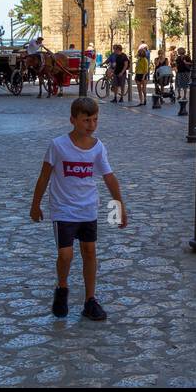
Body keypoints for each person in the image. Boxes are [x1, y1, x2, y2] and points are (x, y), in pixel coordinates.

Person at [29, 97, 126, 322]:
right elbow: (44, 176)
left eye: (94, 120)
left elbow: (109, 178)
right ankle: (62, 289)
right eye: (86, 120)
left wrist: (120, 205)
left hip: (88, 208)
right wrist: (35, 204)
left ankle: (90, 300)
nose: (91, 125)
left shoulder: (98, 148)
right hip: (63, 209)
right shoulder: (58, 145)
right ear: (73, 120)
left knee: (89, 251)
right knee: (65, 255)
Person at [174, 47, 192, 115]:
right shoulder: (178, 58)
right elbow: (176, 64)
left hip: (185, 72)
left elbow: (191, 63)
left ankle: (184, 95)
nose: (178, 51)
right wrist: (176, 69)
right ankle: (178, 95)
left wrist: (186, 62)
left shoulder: (187, 57)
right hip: (179, 72)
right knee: (178, 84)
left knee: (184, 84)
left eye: (179, 50)